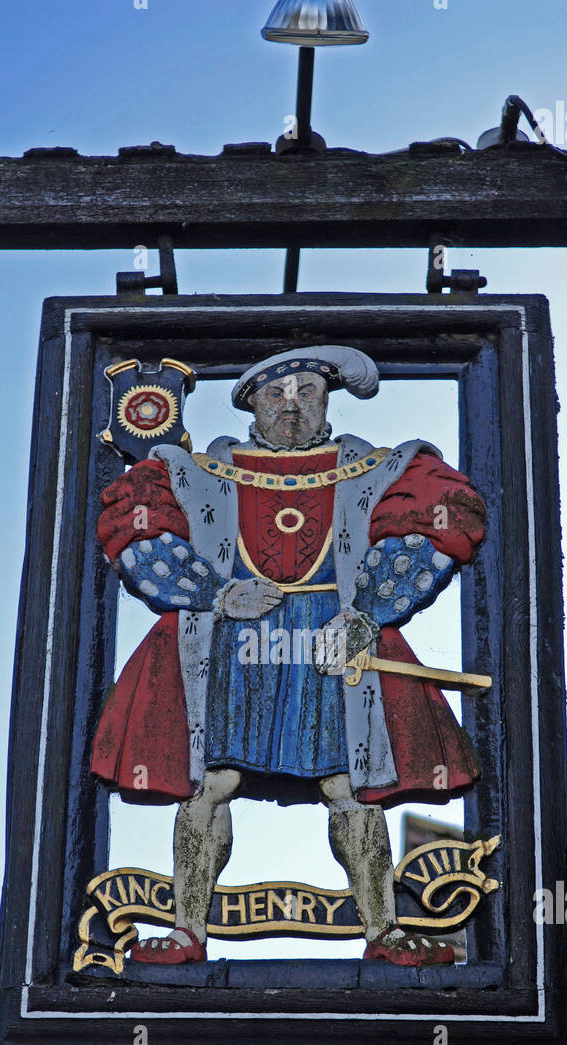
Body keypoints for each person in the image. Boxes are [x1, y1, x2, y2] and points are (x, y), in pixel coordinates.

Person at [92, 346, 486, 966]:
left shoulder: (378, 467)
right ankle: (188, 930)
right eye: (278, 394)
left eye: (307, 391)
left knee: (349, 784)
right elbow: (136, 527)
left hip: (332, 636)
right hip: (230, 637)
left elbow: (442, 516)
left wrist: (367, 613)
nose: (293, 406)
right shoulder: (197, 471)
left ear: (329, 399)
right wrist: (214, 593)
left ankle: (383, 930)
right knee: (209, 782)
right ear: (252, 403)